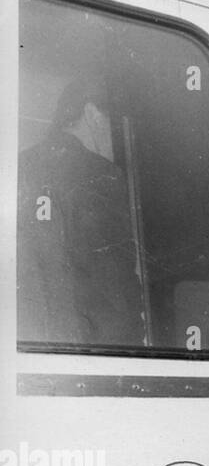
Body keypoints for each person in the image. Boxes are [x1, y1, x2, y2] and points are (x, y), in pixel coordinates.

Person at [18, 80, 145, 347]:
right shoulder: (99, 173)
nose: (115, 142)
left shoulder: (19, 166)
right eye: (115, 127)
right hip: (88, 349)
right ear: (92, 114)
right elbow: (113, 283)